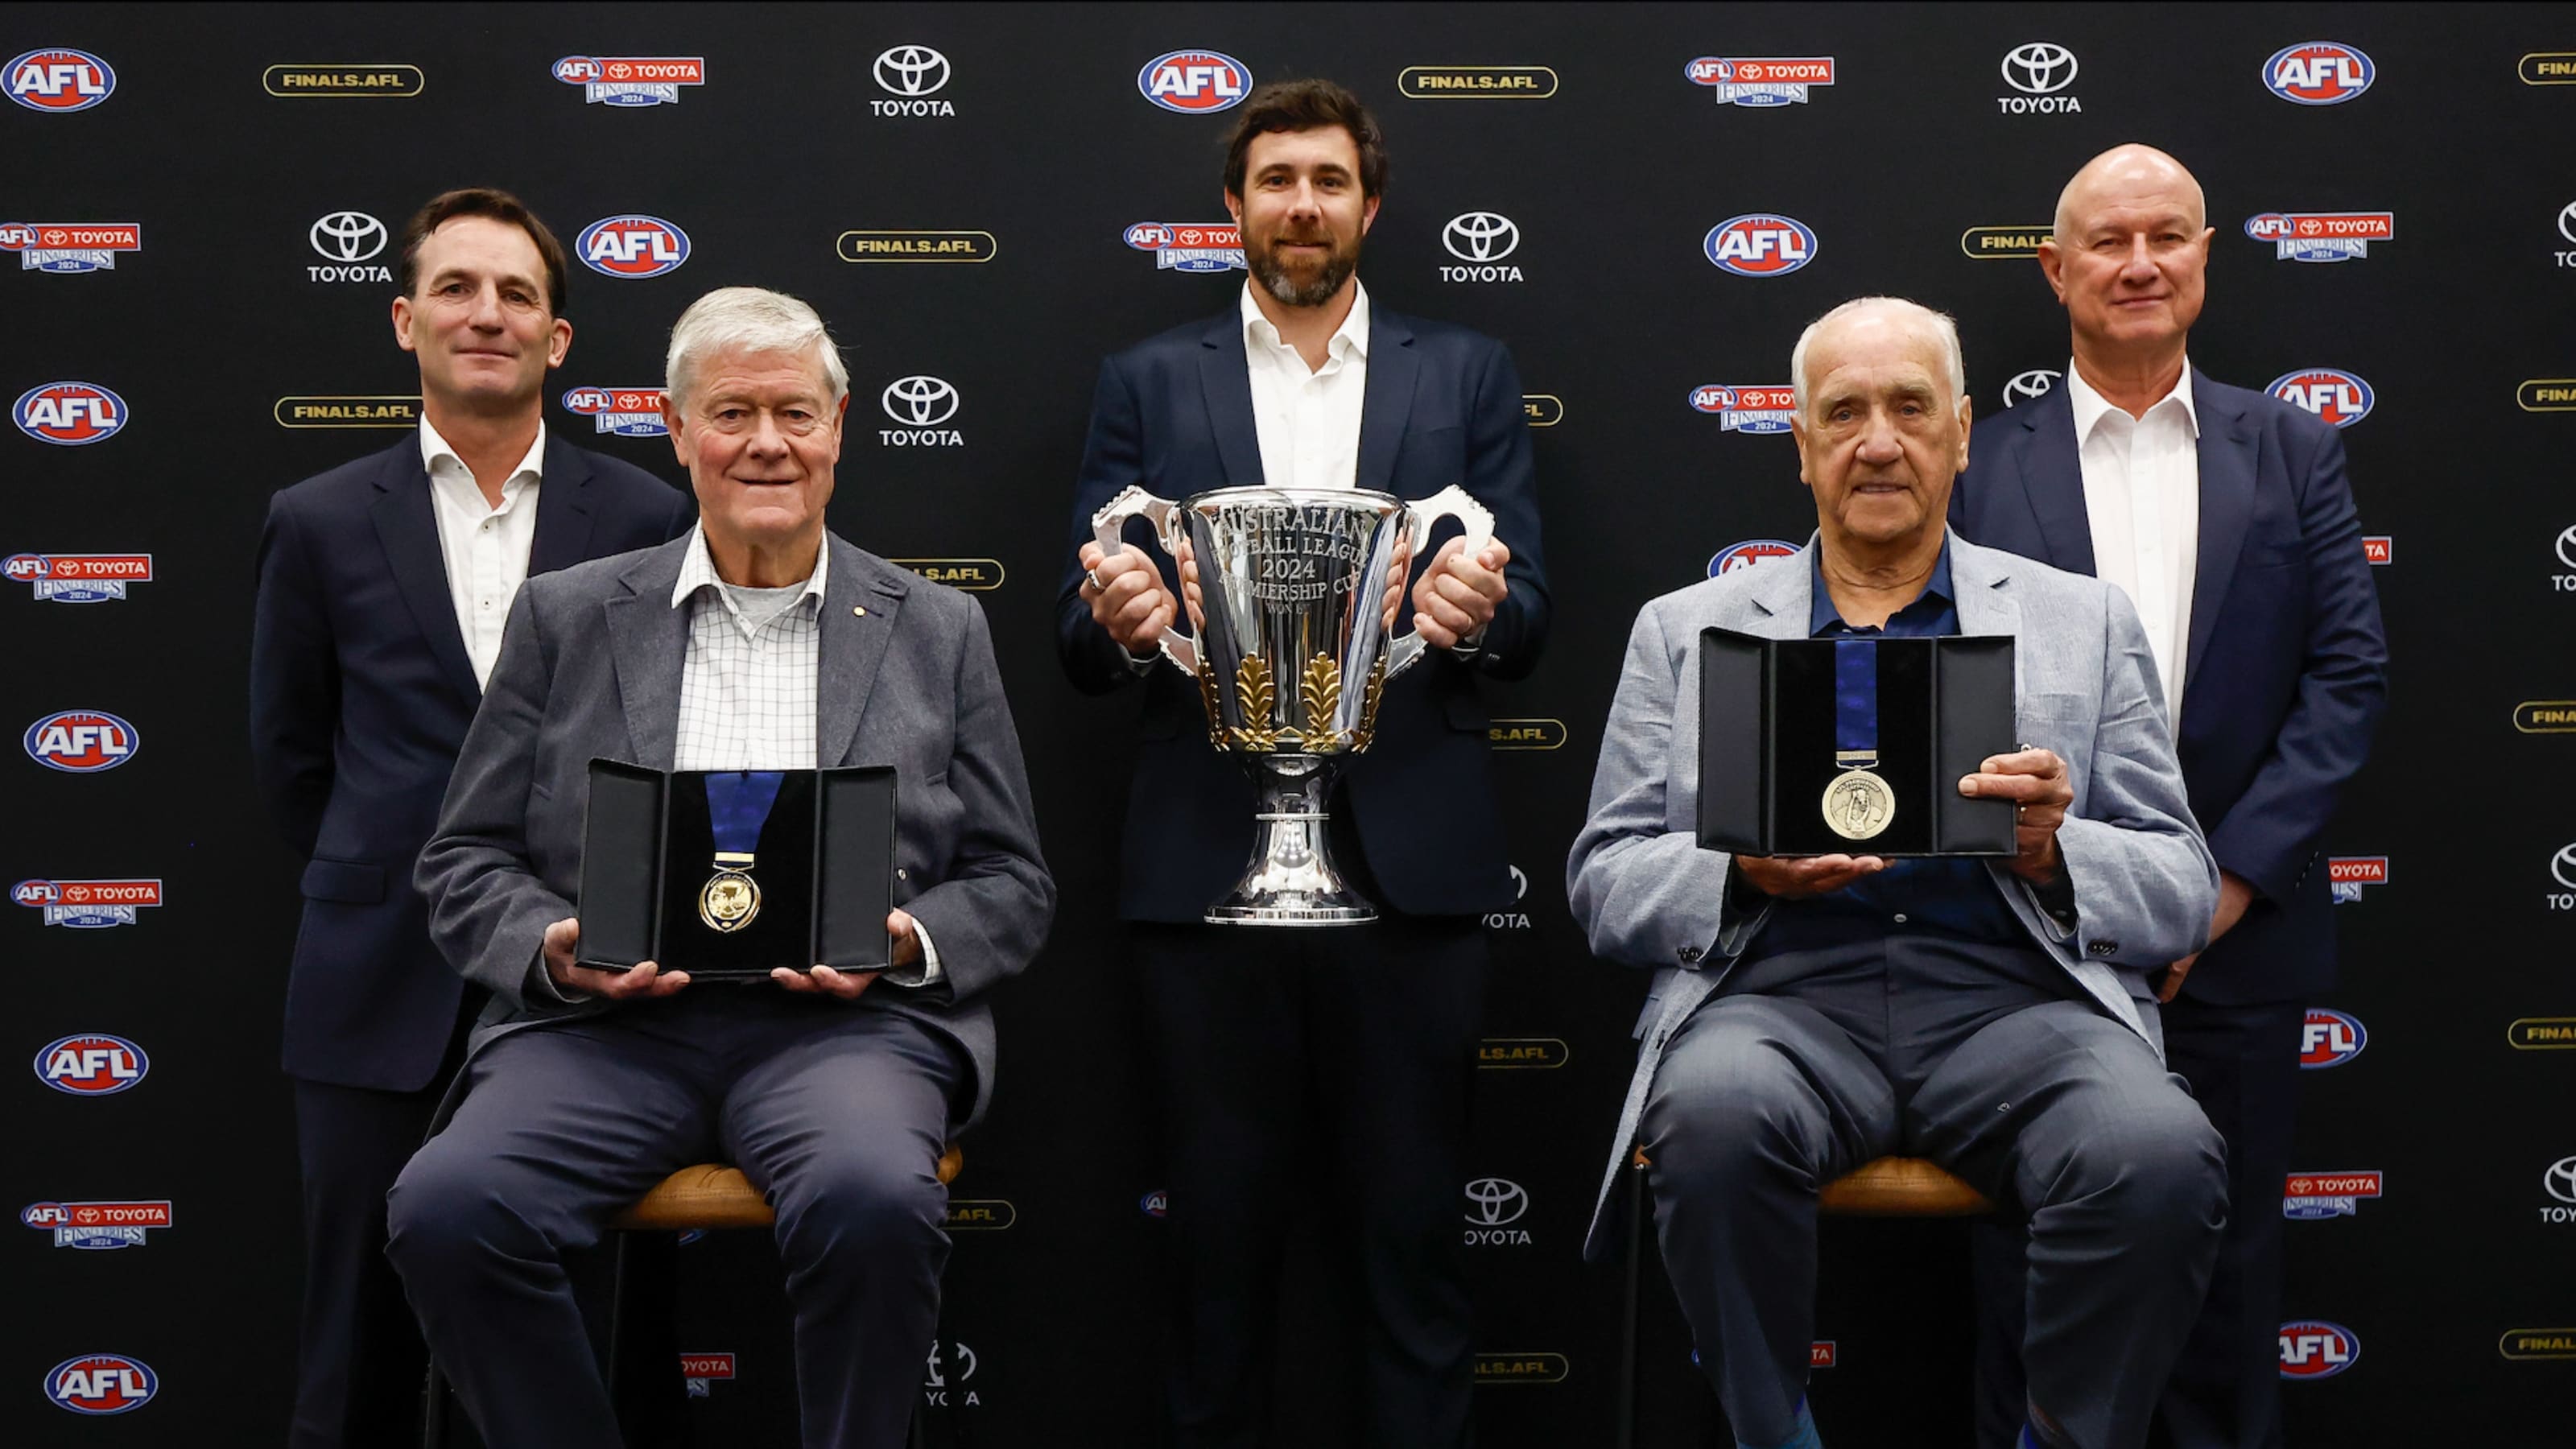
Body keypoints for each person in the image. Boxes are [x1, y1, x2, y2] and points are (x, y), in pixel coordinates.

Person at [389, 287, 1054, 1449]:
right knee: (447, 1210)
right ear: (675, 426)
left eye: (794, 413)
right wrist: (551, 948)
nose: (766, 443)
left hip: (849, 1034)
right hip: (603, 1035)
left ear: (840, 425)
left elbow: (1012, 882)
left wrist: (900, 941)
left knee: (873, 1200)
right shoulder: (567, 618)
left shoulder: (937, 630)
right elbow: (463, 859)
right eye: (732, 412)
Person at [1569, 297, 2227, 1449]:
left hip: (2017, 1014)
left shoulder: (2084, 624)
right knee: (1710, 1117)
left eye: (1911, 407)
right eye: (1847, 413)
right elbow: (1606, 880)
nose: (1881, 440)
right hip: (1778, 1009)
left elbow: (2180, 884)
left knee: (2158, 1152)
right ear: (1804, 445)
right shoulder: (1687, 629)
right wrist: (1739, 874)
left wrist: (2057, 850)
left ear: (1963, 432)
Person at [1055, 78, 1548, 1448]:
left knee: (1413, 1260)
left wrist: (1479, 610)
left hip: (1412, 882)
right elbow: (1074, 631)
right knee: (1211, 1270)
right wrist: (1119, 619)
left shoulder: (1467, 374)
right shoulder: (1149, 381)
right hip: (1206, 881)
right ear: (1233, 205)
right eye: (1275, 180)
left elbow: (1531, 619)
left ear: (1370, 205)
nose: (1303, 206)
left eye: (1329, 181)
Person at [1952, 144, 2388, 1449]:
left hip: (2242, 946)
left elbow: (2346, 678)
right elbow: (1943, 680)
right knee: (2025, 1278)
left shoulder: (2292, 445)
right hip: (2033, 939)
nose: (2139, 263)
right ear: (2054, 268)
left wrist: (2221, 891)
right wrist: (2073, 881)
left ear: (2205, 257)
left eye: (2168, 237)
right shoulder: (1981, 462)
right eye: (2108, 240)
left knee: (2226, 1278)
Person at [249, 186, 691, 1449]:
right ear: (404, 320)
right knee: (357, 1343)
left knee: (609, 1334)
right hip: (371, 978)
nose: (483, 313)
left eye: (516, 294)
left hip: (595, 981)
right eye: (455, 288)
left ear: (557, 340)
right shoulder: (320, 519)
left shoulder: (650, 516)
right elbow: (291, 756)